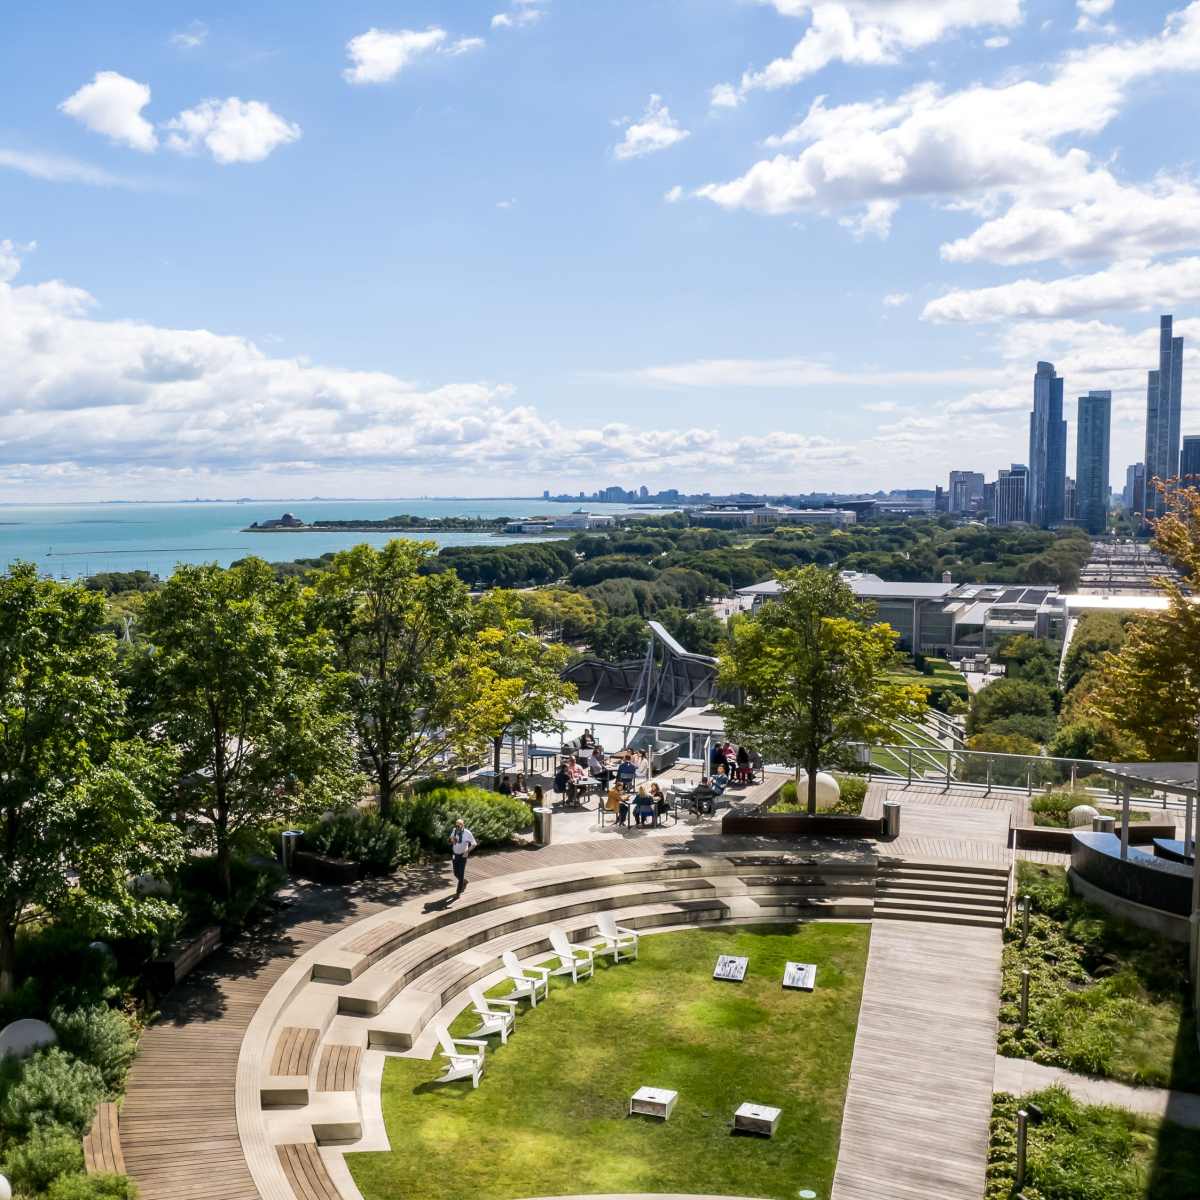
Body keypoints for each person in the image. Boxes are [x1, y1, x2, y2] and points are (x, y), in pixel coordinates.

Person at [449, 818, 477, 896]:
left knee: (461, 874)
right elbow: (451, 839)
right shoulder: (454, 830)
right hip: (455, 854)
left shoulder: (467, 833)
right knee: (455, 873)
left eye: (459, 826)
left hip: (463, 855)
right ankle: (464, 881)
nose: (457, 827)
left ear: (463, 825)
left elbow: (474, 843)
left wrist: (467, 851)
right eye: (456, 825)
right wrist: (452, 840)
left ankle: (458, 893)